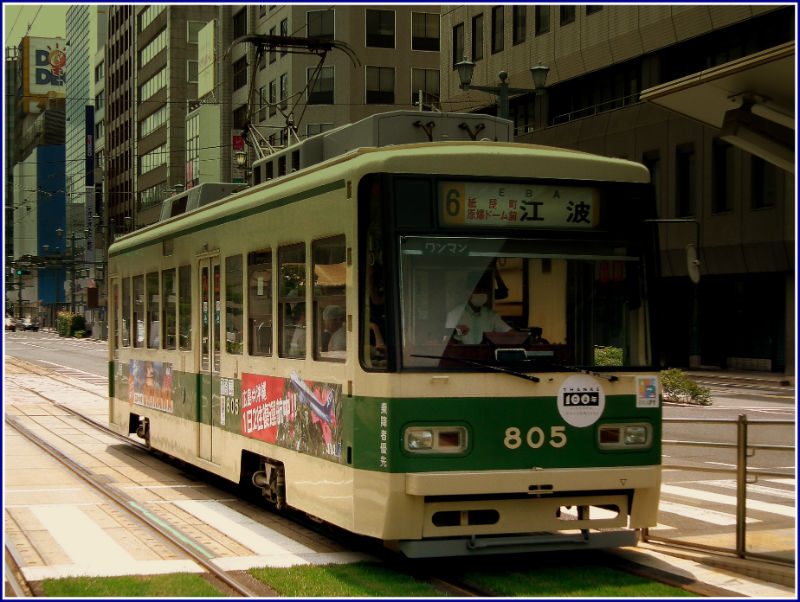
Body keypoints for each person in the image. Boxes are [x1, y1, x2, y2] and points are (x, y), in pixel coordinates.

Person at [445, 273, 512, 344]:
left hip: (485, 354)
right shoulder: (455, 315)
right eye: (478, 290)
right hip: (462, 354)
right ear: (468, 292)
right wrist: (457, 331)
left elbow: (510, 333)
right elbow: (446, 340)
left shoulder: (491, 315)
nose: (482, 293)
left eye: (484, 290)